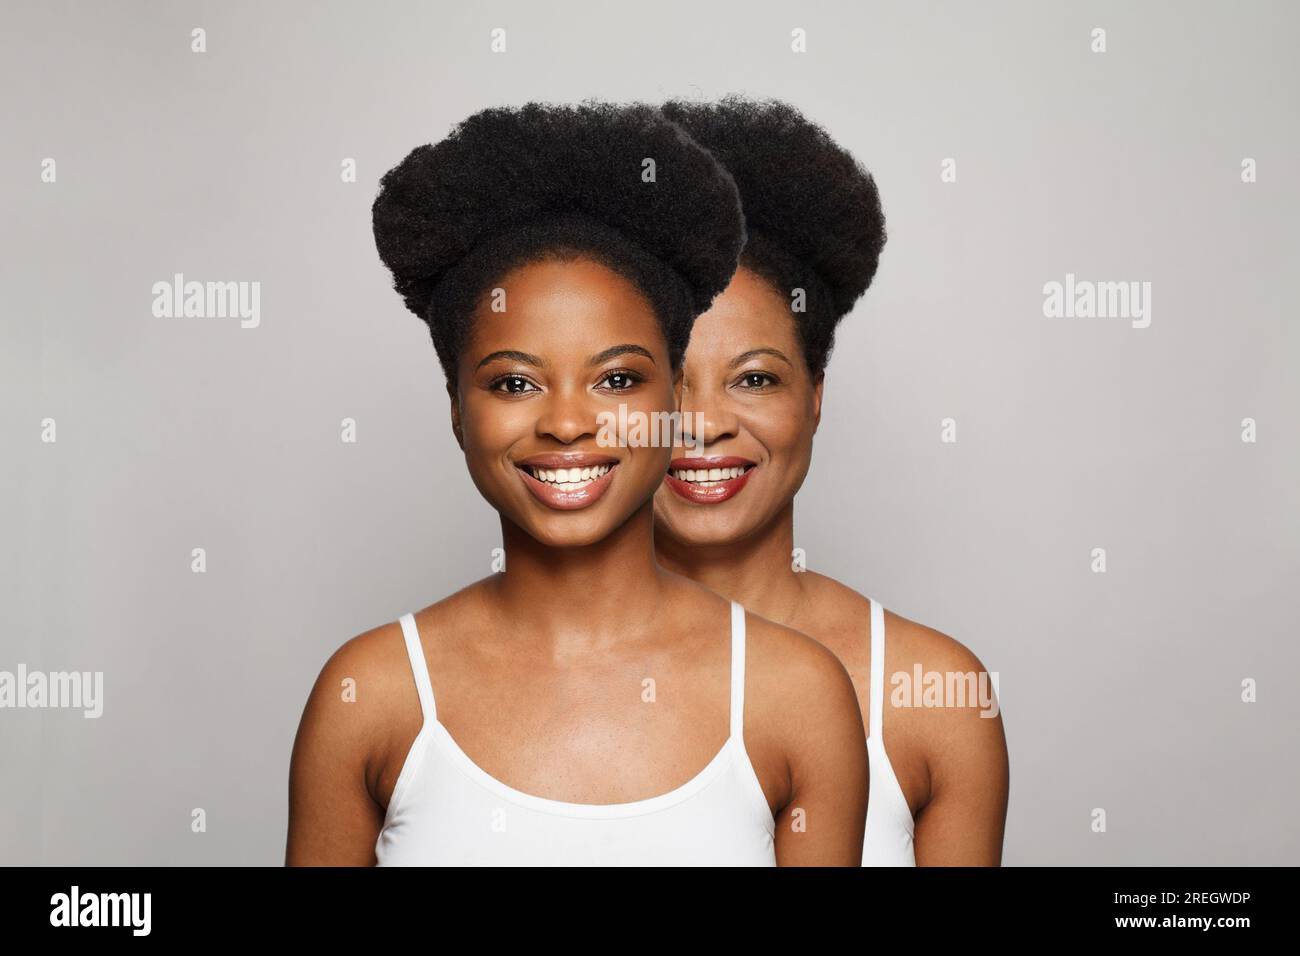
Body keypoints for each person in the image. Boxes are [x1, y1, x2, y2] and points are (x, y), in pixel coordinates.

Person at [285, 101, 870, 866]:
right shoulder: (370, 695)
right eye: (514, 384)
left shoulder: (798, 694)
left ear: (671, 401)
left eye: (617, 378)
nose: (567, 424)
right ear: (458, 410)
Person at [653, 96, 1010, 866]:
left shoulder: (933, 692)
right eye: (658, 381)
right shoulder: (484, 680)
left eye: (752, 379)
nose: (701, 424)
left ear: (815, 395)